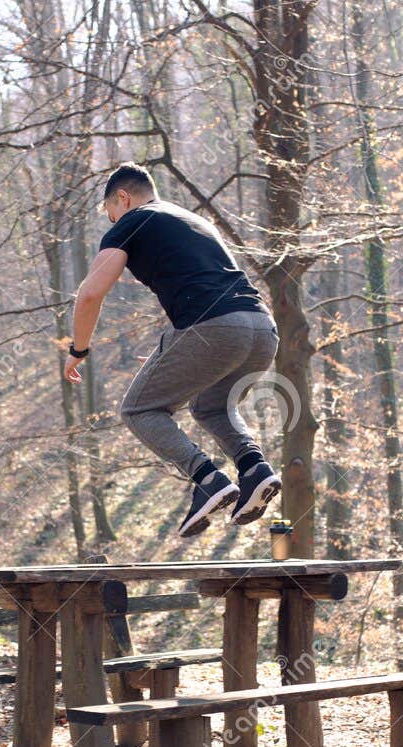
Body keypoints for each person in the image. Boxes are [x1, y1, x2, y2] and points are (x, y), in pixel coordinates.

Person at [65, 162, 281, 538]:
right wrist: (178, 354)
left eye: (109, 212)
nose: (111, 221)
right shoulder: (194, 221)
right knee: (210, 406)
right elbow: (209, 289)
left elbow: (89, 295)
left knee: (137, 409)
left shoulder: (134, 221)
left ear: (122, 197)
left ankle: (207, 479)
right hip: (261, 329)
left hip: (213, 328)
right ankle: (255, 470)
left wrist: (78, 349)